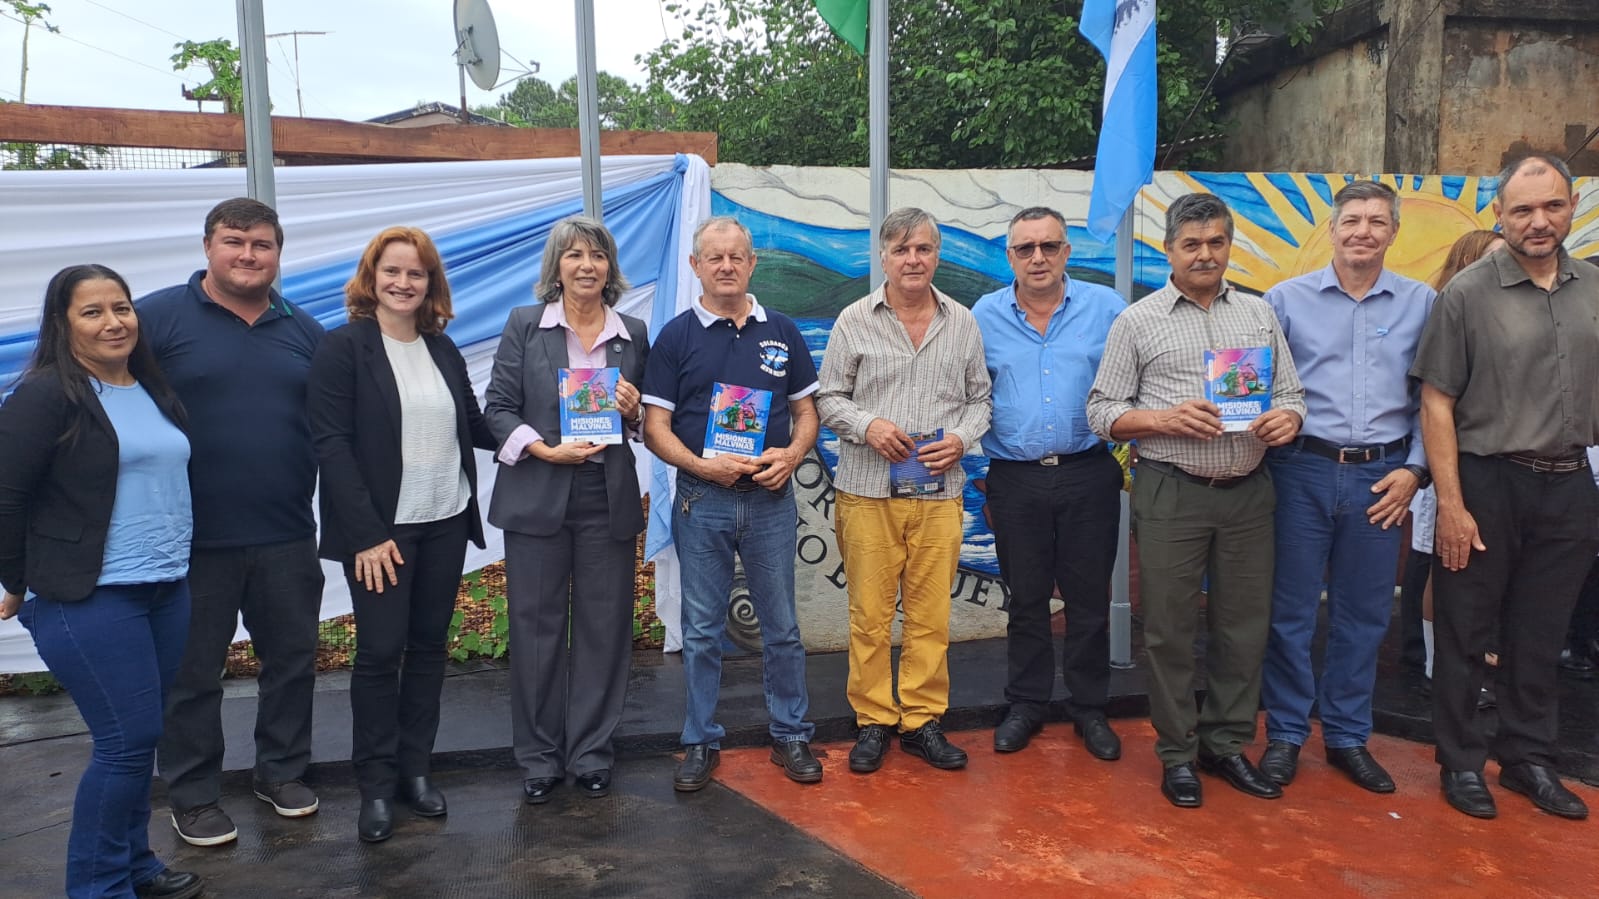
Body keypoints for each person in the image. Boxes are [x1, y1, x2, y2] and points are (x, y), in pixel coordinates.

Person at [1086, 193, 1306, 809]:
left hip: (1249, 492)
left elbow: (1292, 394)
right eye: (1191, 244)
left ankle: (1227, 744)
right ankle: (1178, 753)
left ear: (1229, 244)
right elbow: (1102, 412)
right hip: (1173, 489)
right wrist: (1165, 419)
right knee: (1170, 630)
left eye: (1215, 242)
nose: (1205, 254)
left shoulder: (1259, 314)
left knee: (1243, 628)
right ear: (1169, 250)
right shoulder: (1138, 321)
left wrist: (1288, 419)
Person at [0, 266, 205, 899]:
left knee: (140, 739)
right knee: (125, 741)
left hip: (164, 588)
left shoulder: (149, 386)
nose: (113, 322)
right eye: (92, 312)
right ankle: (98, 887)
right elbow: (7, 495)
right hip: (88, 595)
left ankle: (135, 864)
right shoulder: (45, 395)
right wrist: (17, 580)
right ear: (62, 325)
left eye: (122, 307)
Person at [1411, 153, 1599, 821]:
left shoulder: (1593, 287)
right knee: (1465, 630)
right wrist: (1451, 505)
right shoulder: (1466, 295)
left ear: (1571, 206)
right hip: (1487, 482)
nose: (1537, 221)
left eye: (1551, 206)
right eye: (1522, 210)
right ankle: (1461, 762)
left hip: (1569, 482)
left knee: (1540, 631)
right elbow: (1436, 402)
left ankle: (1527, 758)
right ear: (1500, 215)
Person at [142, 197, 327, 847]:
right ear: (207, 247)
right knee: (191, 675)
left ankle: (281, 771)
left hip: (286, 531)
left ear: (278, 254)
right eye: (234, 241)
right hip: (189, 539)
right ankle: (193, 796)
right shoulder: (156, 319)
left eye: (261, 244)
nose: (248, 255)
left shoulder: (305, 330)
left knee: (292, 662)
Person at [307, 227, 496, 842]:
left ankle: (416, 771)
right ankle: (375, 786)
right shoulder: (342, 348)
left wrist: (553, 425)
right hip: (381, 536)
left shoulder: (442, 347)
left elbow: (474, 425)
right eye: (392, 270)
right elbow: (331, 445)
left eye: (416, 273)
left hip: (445, 520)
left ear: (431, 283)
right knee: (379, 653)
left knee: (428, 648)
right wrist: (365, 534)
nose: (403, 282)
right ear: (371, 277)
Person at [1257, 180, 1436, 794]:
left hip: (1381, 479)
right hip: (1300, 470)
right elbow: (1258, 385)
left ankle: (1347, 736)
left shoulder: (1422, 304)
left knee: (1364, 614)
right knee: (1290, 613)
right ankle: (1285, 734)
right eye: (1352, 220)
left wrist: (1416, 470)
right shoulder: (1284, 301)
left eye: (1377, 221)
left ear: (1394, 231)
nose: (1364, 231)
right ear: (1332, 229)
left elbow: (1432, 399)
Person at [641, 215, 822, 791]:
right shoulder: (675, 337)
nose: (726, 266)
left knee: (782, 627)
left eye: (736, 256)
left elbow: (807, 412)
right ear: (696, 265)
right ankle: (700, 739)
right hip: (702, 500)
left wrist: (792, 455)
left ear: (751, 264)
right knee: (700, 630)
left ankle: (790, 734)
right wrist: (700, 466)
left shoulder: (782, 331)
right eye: (714, 257)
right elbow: (654, 427)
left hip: (770, 499)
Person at [816, 207, 992, 773]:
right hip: (867, 491)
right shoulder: (853, 320)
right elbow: (828, 397)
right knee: (869, 616)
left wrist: (961, 439)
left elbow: (980, 399)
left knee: (930, 615)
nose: (912, 259)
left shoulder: (962, 322)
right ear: (883, 257)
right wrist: (868, 426)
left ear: (936, 255)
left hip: (939, 493)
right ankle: (872, 719)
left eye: (922, 249)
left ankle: (921, 720)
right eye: (901, 250)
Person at [486, 217, 650, 805]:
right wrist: (542, 448)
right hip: (539, 490)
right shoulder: (525, 325)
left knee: (605, 628)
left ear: (610, 268)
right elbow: (497, 408)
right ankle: (538, 758)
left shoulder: (633, 333)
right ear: (556, 266)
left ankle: (591, 754)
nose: (587, 265)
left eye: (597, 255)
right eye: (575, 254)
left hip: (606, 494)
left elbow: (645, 423)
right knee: (536, 630)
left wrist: (632, 410)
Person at [971, 207, 1126, 760]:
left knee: (1088, 599)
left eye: (1049, 246)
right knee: (1026, 598)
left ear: (1067, 252)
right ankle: (1027, 703)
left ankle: (1089, 707)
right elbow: (966, 390)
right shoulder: (983, 315)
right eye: (1025, 248)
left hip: (1089, 472)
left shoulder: (1107, 308)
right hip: (1015, 479)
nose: (1038, 257)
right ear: (1009, 256)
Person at [1405, 230, 1504, 686]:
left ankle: (1467, 656)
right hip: (1446, 459)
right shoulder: (1442, 313)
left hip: (1497, 461)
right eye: (1492, 258)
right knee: (1442, 564)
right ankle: (1432, 662)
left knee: (1481, 565)